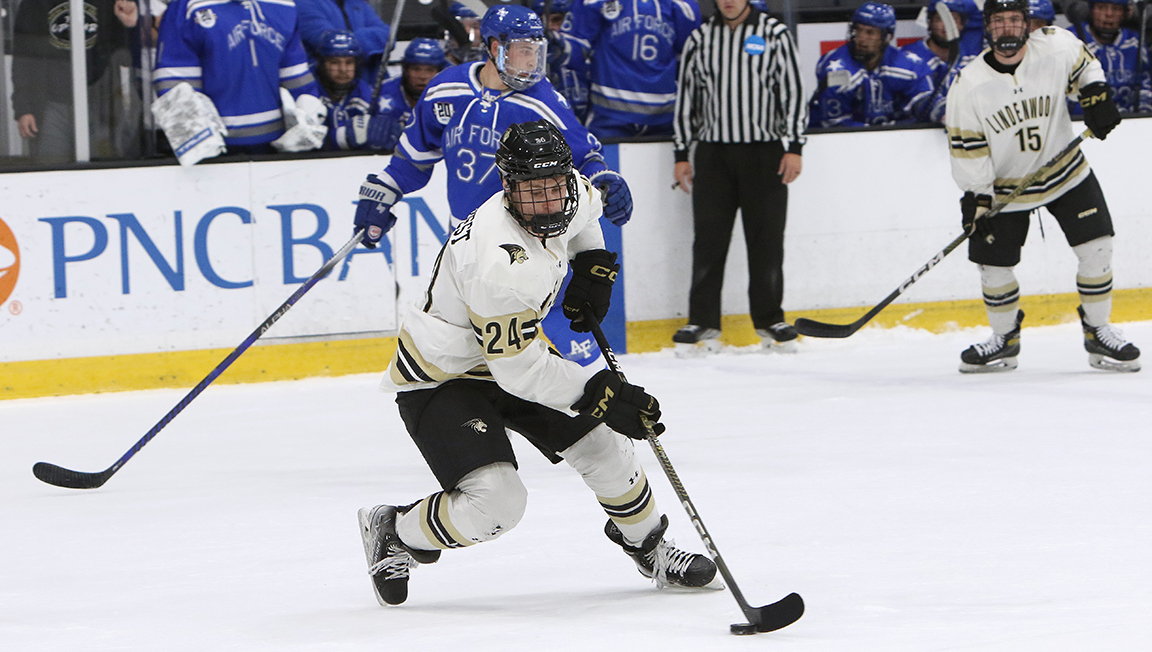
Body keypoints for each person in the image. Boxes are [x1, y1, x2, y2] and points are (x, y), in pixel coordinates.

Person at [355, 120, 719, 606]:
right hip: (445, 377)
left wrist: (592, 263)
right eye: (533, 191)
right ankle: (396, 529)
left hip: (512, 354)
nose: (549, 202)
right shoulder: (499, 261)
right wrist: (601, 395)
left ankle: (649, 547)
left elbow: (587, 211)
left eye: (555, 186)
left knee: (605, 449)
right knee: (499, 503)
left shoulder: (567, 191)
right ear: (507, 188)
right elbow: (518, 372)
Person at [353, 4, 632, 368]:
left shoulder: (543, 101)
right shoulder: (446, 88)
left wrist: (604, 179)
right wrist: (384, 190)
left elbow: (583, 155)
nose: (531, 62)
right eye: (523, 51)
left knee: (571, 359)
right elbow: (413, 157)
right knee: (474, 362)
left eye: (536, 52)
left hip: (533, 245)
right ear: (494, 47)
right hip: (467, 250)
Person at [945, 0, 1140, 373]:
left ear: (1027, 24)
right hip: (1006, 188)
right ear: (987, 27)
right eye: (998, 21)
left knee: (1097, 247)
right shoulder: (968, 86)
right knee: (993, 267)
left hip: (1066, 173)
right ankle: (1004, 339)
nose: (1007, 28)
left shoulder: (1055, 46)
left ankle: (1098, 330)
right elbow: (968, 149)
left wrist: (1095, 93)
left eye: (1014, 19)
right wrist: (977, 198)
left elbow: (1085, 64)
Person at [670, 0, 805, 354]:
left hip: (766, 153)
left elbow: (791, 92)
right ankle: (702, 320)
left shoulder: (774, 33)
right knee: (709, 241)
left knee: (766, 241)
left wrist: (795, 147)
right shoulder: (700, 38)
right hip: (714, 155)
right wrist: (682, 153)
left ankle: (770, 320)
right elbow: (688, 97)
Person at [153, 0, 326, 158]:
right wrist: (197, 144)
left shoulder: (283, 5)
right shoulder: (187, 7)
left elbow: (296, 76)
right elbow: (174, 80)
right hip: (216, 150)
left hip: (275, 147)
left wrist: (306, 125)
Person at [11, 0, 139, 164]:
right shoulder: (35, 3)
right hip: (51, 106)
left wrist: (129, 26)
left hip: (100, 106)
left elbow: (125, 58)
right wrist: (23, 108)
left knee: (102, 174)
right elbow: (23, 56)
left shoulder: (110, 2)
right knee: (51, 174)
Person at [564, 0, 701, 139]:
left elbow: (689, 59)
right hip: (609, 115)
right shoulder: (594, 2)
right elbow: (573, 51)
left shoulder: (682, 5)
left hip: (666, 119)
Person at [809, 2, 934, 128]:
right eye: (858, 30)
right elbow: (835, 122)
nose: (861, 38)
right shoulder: (838, 70)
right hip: (846, 141)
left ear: (887, 37)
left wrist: (940, 112)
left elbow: (925, 101)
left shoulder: (908, 66)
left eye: (870, 33)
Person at [901, 0, 981, 121]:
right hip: (920, 132)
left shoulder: (971, 55)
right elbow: (917, 100)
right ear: (930, 23)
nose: (947, 26)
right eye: (940, 19)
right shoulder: (909, 56)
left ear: (962, 25)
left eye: (953, 19)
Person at [1070, 0, 1152, 114]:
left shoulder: (1135, 42)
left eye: (1116, 9)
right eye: (1102, 7)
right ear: (1091, 11)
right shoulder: (1071, 41)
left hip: (1131, 123)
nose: (1109, 14)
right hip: (1086, 122)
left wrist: (1142, 117)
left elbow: (1146, 85)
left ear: (1125, 13)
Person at [370, 38, 450, 151]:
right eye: (416, 69)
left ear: (440, 71)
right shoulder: (381, 92)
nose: (422, 76)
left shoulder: (450, 97)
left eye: (429, 70)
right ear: (405, 69)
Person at [531, 0, 592, 123]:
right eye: (542, 22)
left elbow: (575, 50)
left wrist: (559, 43)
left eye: (557, 20)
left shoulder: (583, 49)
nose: (549, 27)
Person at [295, 0, 392, 66]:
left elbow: (389, 36)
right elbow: (328, 43)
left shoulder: (358, 3)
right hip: (326, 86)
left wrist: (348, 38)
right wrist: (371, 38)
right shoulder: (305, 3)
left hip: (365, 85)